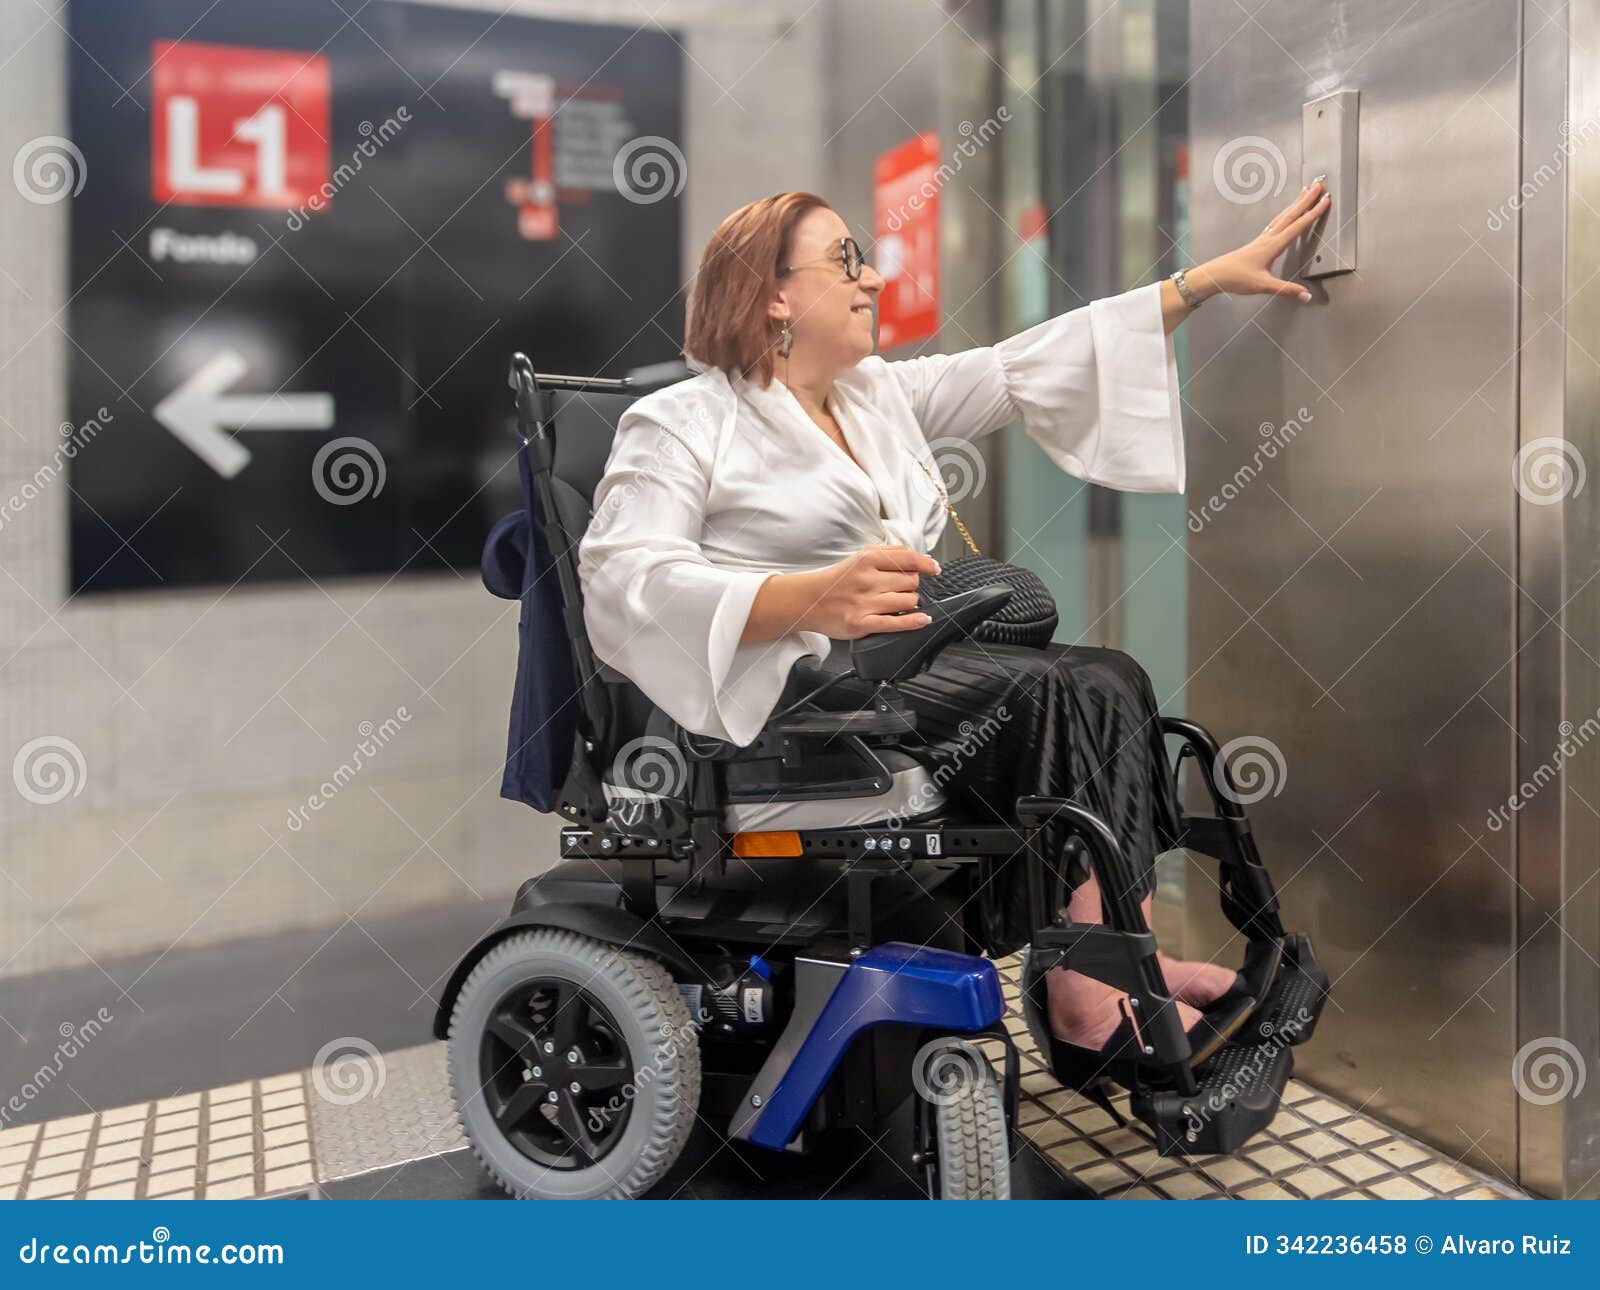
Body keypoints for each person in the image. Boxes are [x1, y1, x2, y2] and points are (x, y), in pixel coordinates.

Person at [578, 185, 1329, 1068]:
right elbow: (620, 575)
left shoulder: (871, 398)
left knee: (1111, 678)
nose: (871, 282)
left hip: (894, 673)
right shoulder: (682, 421)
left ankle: (1129, 958)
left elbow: (1028, 363)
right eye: (846, 262)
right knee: (1046, 690)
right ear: (772, 292)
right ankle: (1089, 1009)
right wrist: (807, 596)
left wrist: (1200, 283)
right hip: (785, 693)